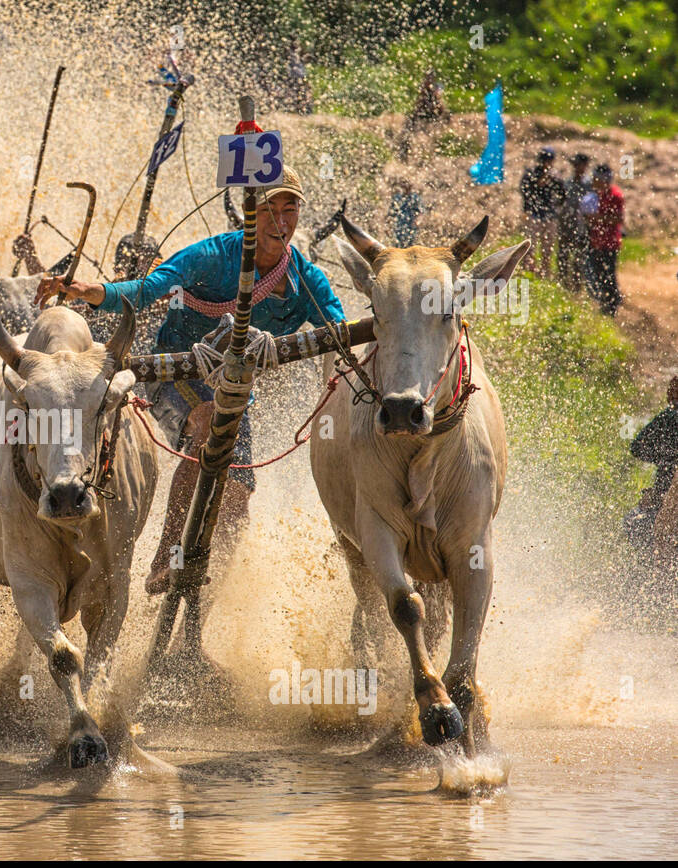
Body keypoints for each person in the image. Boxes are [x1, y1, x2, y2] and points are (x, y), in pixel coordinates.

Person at [35, 165, 347, 594]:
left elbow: (339, 330)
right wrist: (89, 290)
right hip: (176, 372)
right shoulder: (213, 256)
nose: (280, 219)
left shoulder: (305, 279)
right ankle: (166, 558)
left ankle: (207, 593)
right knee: (204, 424)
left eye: (289, 207)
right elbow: (149, 288)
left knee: (238, 495)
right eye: (268, 207)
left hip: (235, 390)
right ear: (249, 213)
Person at [624, 377, 678, 544]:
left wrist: (664, 458)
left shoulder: (669, 416)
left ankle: (644, 566)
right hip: (668, 496)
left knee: (633, 521)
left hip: (665, 496)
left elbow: (637, 448)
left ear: (672, 394)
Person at [582, 163, 624, 317]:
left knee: (609, 274)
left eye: (596, 179)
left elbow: (618, 218)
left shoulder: (615, 195)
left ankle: (612, 304)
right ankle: (604, 303)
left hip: (610, 242)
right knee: (597, 273)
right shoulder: (594, 196)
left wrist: (597, 218)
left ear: (604, 180)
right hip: (595, 240)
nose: (593, 182)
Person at [519, 147, 564, 279]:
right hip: (532, 214)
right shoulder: (530, 174)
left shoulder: (555, 176)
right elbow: (525, 192)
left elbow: (562, 195)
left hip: (549, 215)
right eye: (545, 160)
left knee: (547, 248)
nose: (547, 164)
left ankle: (545, 274)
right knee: (529, 247)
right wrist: (539, 182)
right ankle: (528, 272)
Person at [557, 152, 591, 292]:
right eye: (576, 165)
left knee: (579, 257)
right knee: (563, 255)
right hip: (566, 222)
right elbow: (560, 201)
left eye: (580, 165)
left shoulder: (589, 184)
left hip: (582, 225)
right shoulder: (567, 183)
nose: (577, 168)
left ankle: (577, 286)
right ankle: (563, 283)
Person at [387, 179, 423, 247]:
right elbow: (391, 213)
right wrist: (388, 225)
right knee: (397, 246)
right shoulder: (397, 198)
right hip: (398, 228)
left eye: (407, 183)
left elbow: (420, 213)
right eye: (403, 183)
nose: (405, 186)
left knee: (411, 247)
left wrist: (417, 222)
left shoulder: (415, 198)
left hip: (411, 228)